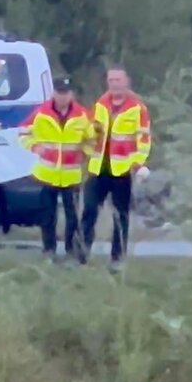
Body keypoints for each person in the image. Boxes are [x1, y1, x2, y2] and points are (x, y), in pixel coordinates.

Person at [80, 66, 153, 266]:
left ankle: (117, 259)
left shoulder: (138, 108)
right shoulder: (100, 105)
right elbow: (89, 132)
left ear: (126, 82)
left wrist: (138, 162)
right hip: (97, 167)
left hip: (121, 169)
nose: (114, 83)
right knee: (89, 211)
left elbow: (144, 138)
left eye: (118, 80)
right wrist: (86, 150)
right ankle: (82, 254)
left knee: (120, 216)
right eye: (111, 80)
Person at [20, 75, 92, 259]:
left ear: (72, 94)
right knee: (47, 217)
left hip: (71, 175)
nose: (63, 97)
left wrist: (85, 152)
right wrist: (35, 146)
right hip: (47, 173)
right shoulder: (41, 113)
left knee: (72, 217)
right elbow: (23, 132)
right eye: (59, 92)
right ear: (54, 93)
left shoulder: (82, 115)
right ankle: (49, 250)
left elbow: (92, 138)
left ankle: (71, 251)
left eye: (66, 93)